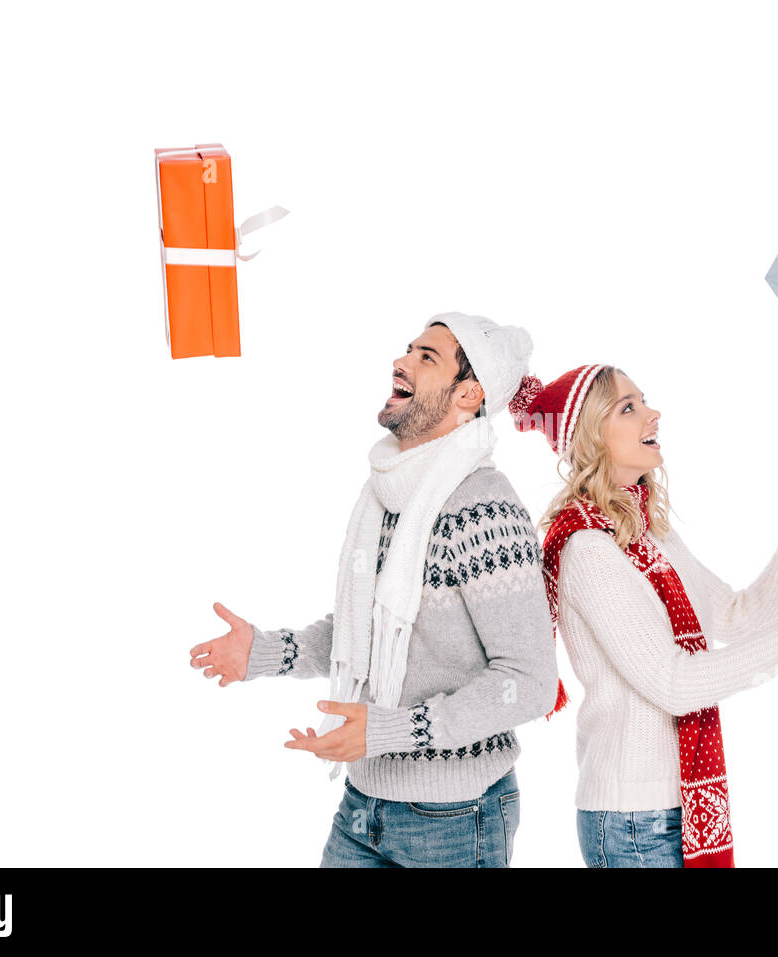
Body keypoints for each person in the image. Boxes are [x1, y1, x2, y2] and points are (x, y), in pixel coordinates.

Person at [189, 313, 559, 867]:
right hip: (364, 805)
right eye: (407, 349)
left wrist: (389, 729)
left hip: (457, 820)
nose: (401, 361)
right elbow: (363, 633)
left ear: (469, 394)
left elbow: (529, 682)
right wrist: (263, 652)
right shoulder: (388, 493)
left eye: (426, 357)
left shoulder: (484, 508)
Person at [510, 363, 778, 868]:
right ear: (591, 433)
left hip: (669, 806)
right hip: (635, 819)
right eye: (628, 408)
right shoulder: (589, 547)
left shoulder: (647, 530)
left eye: (644, 401)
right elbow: (675, 685)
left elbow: (738, 617)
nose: (652, 414)